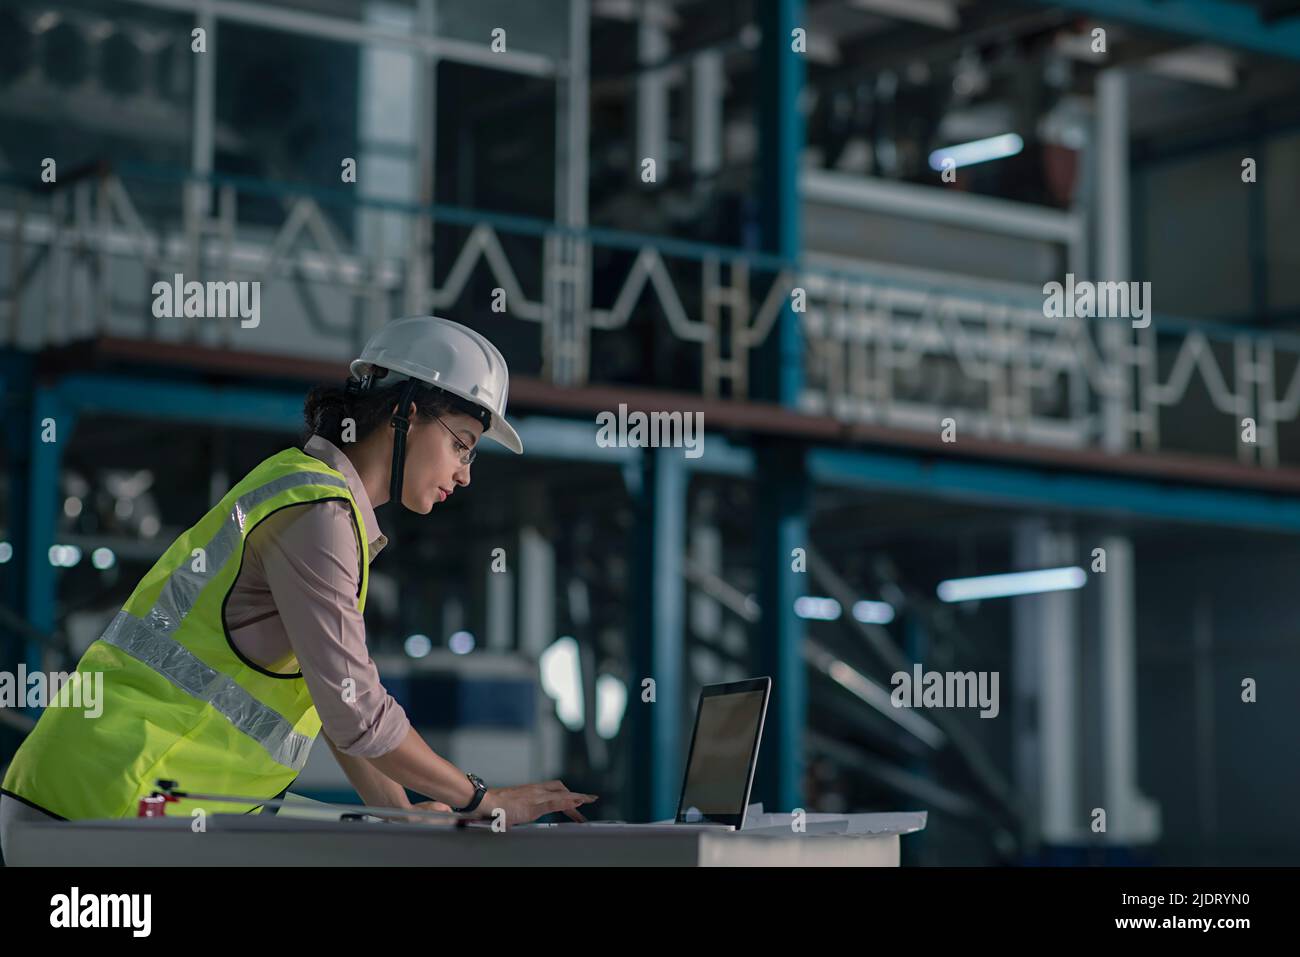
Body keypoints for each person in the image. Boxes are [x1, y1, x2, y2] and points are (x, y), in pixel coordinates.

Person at [0, 316, 596, 859]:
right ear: (406, 412)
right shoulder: (318, 514)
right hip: (110, 802)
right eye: (462, 444)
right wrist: (480, 799)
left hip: (120, 800)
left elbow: (332, 703)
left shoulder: (311, 496)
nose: (465, 473)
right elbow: (358, 713)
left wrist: (400, 813)